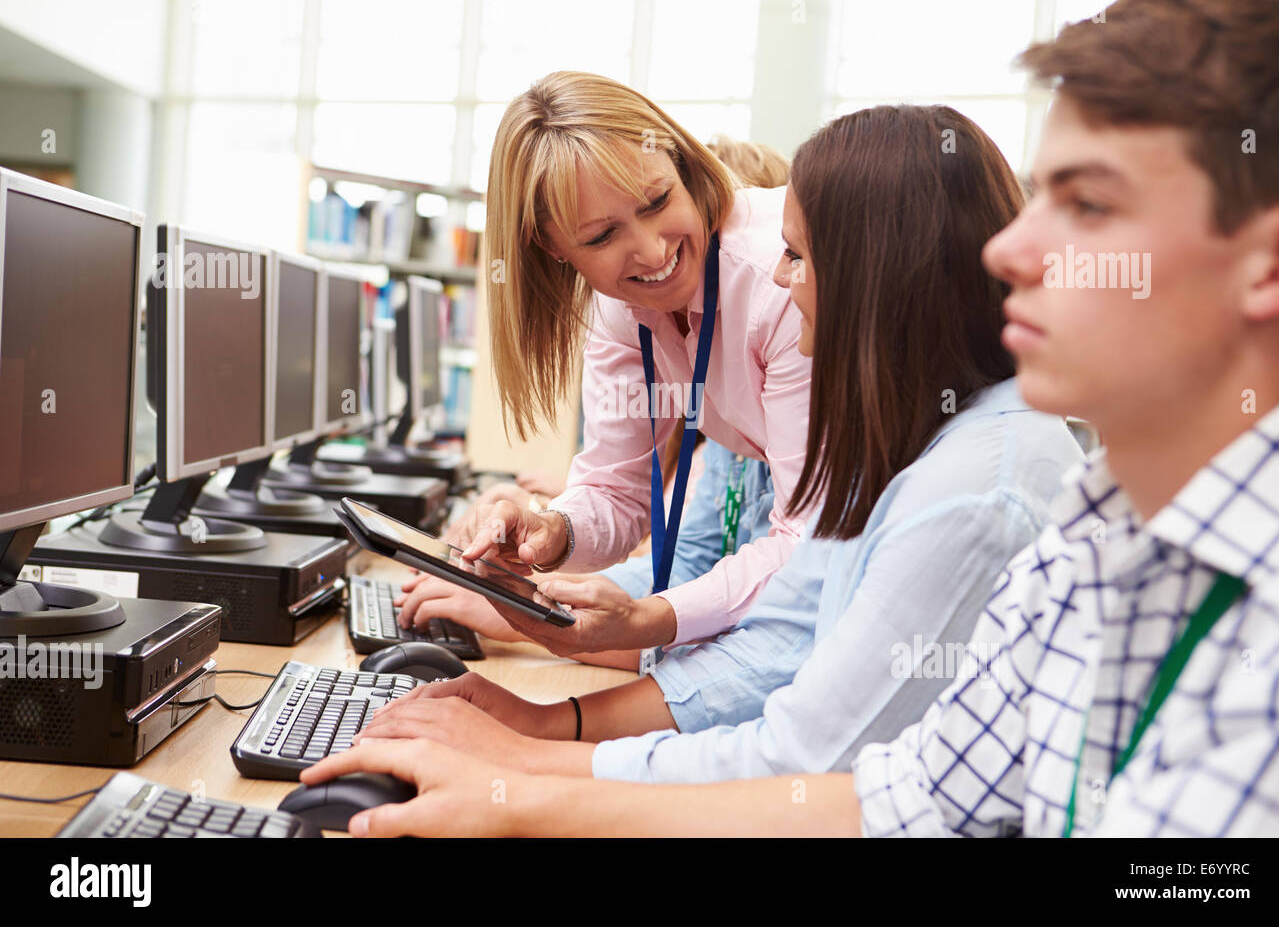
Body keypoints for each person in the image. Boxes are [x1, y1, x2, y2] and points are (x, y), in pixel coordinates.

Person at [303, 0, 1279, 836]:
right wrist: (524, 739)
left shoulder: (993, 484)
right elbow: (904, 785)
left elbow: (808, 730)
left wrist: (540, 752)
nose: (1007, 249)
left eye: (1086, 205)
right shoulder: (1092, 532)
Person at [347, 104, 1084, 777]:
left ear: (875, 278)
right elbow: (787, 633)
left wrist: (533, 752)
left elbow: (798, 748)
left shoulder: (965, 490)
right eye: (601, 237)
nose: (776, 274)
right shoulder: (922, 458)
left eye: (796, 256)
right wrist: (553, 541)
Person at [443, 72, 813, 657]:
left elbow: (807, 545)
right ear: (552, 247)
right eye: (602, 236)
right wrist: (549, 531)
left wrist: (650, 620)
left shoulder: (781, 282)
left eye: (659, 201)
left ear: (683, 166)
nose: (652, 251)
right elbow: (621, 490)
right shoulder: (619, 309)